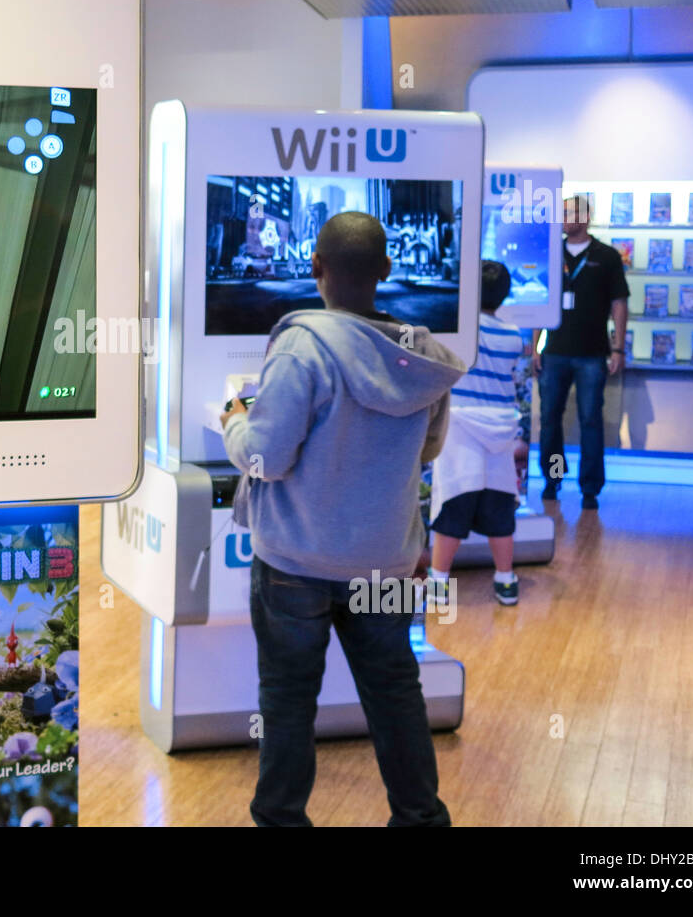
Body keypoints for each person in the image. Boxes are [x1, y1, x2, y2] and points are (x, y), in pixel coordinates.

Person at [221, 212, 464, 828]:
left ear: (315, 267)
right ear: (386, 269)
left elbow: (266, 456)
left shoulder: (301, 346)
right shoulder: (424, 356)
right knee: (394, 694)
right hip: (384, 558)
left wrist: (232, 417)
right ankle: (421, 818)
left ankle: (281, 820)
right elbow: (428, 450)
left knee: (287, 702)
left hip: (295, 564)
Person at [428, 261, 527, 606]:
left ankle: (439, 583)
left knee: (454, 503)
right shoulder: (515, 336)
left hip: (460, 428)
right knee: (500, 506)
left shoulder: (461, 333)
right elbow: (518, 382)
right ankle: (505, 579)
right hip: (501, 426)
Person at [532, 195, 629, 509]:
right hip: (555, 351)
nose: (562, 218)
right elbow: (539, 300)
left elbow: (619, 304)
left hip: (592, 353)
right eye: (560, 212)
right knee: (550, 420)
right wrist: (535, 346)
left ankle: (590, 488)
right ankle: (553, 478)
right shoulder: (550, 253)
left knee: (590, 420)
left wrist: (618, 348)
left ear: (586, 217)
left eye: (568, 212)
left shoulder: (607, 256)